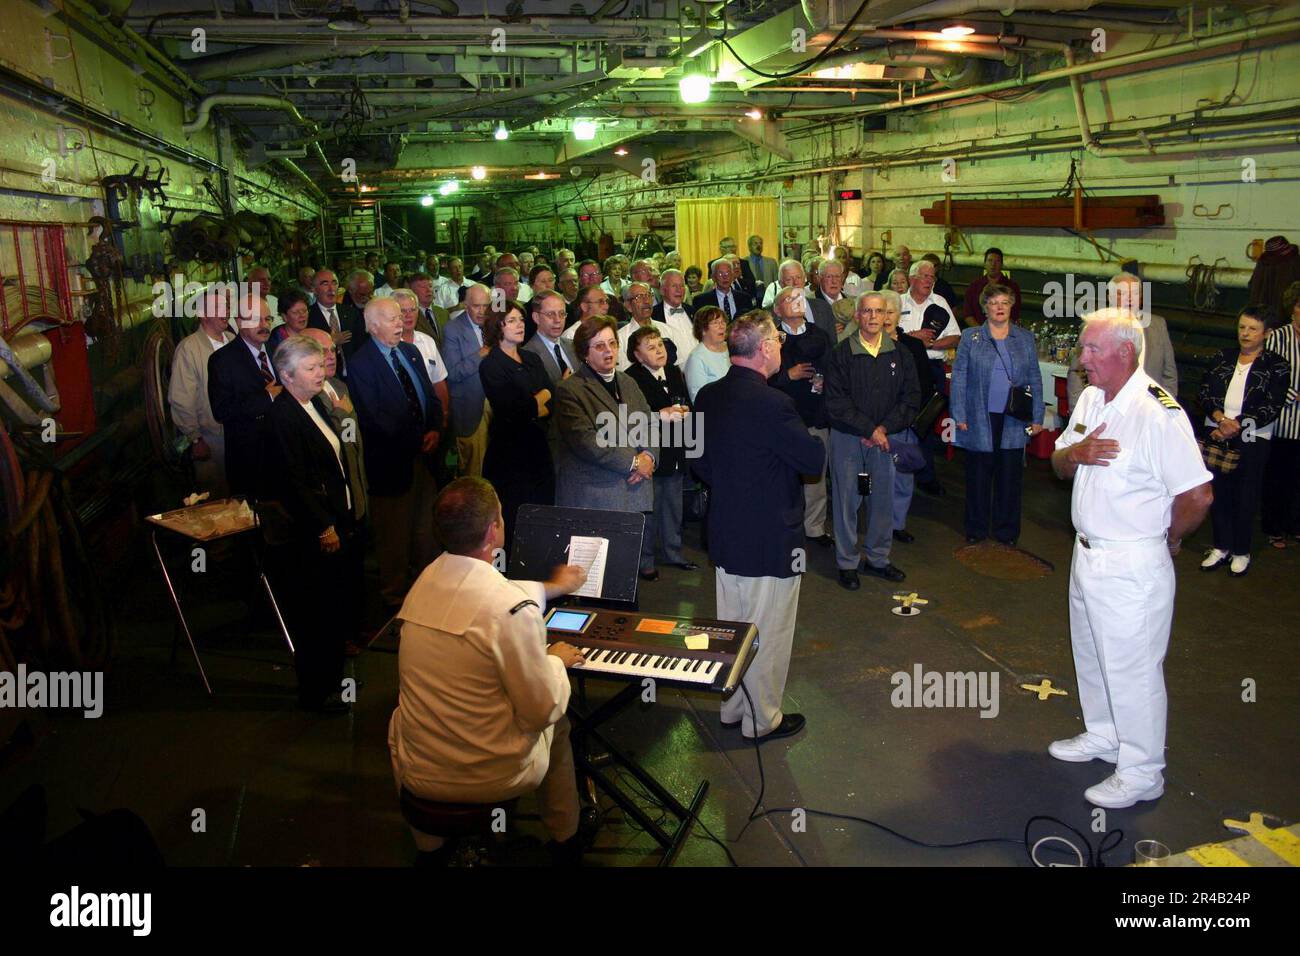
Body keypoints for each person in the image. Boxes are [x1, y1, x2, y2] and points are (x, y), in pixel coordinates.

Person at [1050, 308, 1212, 809]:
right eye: (1082, 348)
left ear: (1125, 352)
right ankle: (1104, 735)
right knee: (1094, 656)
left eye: (1091, 349)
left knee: (1134, 669)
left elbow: (1198, 495)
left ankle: (1143, 770)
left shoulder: (1158, 413)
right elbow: (1057, 463)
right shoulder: (1094, 398)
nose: (1082, 359)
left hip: (1131, 563)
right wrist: (1075, 455)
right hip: (1087, 555)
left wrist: (1167, 538)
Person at [388, 478, 592, 863]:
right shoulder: (513, 610)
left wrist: (550, 586)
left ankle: (431, 850)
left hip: (418, 771)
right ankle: (567, 840)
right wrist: (555, 662)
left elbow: (478, 589)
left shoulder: (423, 583)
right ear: (493, 530)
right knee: (557, 722)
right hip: (490, 773)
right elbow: (539, 709)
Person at [693, 313, 825, 740]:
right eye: (779, 342)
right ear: (766, 347)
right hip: (770, 538)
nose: (782, 348)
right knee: (768, 630)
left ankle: (732, 707)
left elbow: (699, 462)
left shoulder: (708, 396)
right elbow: (812, 461)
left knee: (730, 627)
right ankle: (762, 719)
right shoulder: (774, 404)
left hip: (726, 532)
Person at [265, 334, 363, 713]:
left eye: (320, 365)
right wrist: (324, 525)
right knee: (315, 614)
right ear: (286, 376)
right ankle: (316, 691)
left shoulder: (315, 403)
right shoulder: (283, 417)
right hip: (312, 533)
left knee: (334, 608)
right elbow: (294, 481)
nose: (320, 372)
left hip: (337, 519)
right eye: (310, 368)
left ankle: (334, 679)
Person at [347, 297, 443, 612]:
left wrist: (435, 429)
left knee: (424, 530)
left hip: (424, 458)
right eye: (391, 319)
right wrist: (416, 440)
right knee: (394, 538)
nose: (400, 323)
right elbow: (374, 418)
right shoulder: (361, 363)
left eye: (400, 316)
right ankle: (395, 600)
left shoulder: (411, 352)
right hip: (390, 464)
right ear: (373, 325)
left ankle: (427, 588)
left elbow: (429, 396)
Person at [553, 317, 659, 580]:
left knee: (625, 583)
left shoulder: (628, 382)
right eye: (599, 346)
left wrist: (648, 455)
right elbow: (586, 442)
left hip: (631, 493)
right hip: (595, 497)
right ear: (584, 353)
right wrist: (634, 463)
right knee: (594, 585)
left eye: (612, 343)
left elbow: (649, 423)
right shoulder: (570, 390)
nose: (609, 351)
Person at [825, 292, 920, 589]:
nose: (873, 317)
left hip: (884, 442)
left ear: (887, 316)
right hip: (850, 440)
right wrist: (869, 430)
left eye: (879, 311)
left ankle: (878, 558)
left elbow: (911, 398)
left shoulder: (900, 354)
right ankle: (847, 562)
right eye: (867, 311)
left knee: (881, 500)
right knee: (847, 501)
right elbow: (836, 402)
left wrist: (884, 429)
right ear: (857, 315)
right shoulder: (841, 354)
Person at [1197, 305, 1290, 576]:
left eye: (1252, 329)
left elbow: (1272, 404)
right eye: (1242, 327)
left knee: (1245, 495)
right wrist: (1218, 417)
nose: (1245, 334)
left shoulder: (1276, 365)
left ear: (1267, 334)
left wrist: (1235, 425)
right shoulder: (1222, 357)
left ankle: (1241, 550)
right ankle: (1220, 546)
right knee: (1218, 493)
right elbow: (1203, 391)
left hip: (1252, 435)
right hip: (1216, 431)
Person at [951, 284, 1045, 546]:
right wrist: (959, 414)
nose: (1000, 307)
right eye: (994, 303)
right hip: (979, 416)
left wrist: (1037, 417)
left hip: (1013, 417)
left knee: (1010, 477)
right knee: (978, 476)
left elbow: (1035, 378)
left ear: (1012, 305)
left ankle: (1006, 532)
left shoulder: (1025, 338)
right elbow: (959, 378)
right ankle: (976, 528)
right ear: (985, 308)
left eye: (1005, 302)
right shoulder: (971, 337)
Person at [479, 300, 556, 552]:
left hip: (540, 448)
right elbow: (514, 411)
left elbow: (552, 398)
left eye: (521, 320)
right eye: (511, 320)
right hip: (510, 455)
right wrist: (539, 399)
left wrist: (537, 401)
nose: (519, 325)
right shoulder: (491, 365)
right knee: (515, 517)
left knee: (543, 513)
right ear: (497, 326)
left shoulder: (531, 358)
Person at [625, 326, 697, 576]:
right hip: (648, 452)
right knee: (649, 509)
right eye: (651, 347)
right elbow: (628, 418)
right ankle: (644, 562)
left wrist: (686, 413)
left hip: (674, 450)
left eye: (661, 345)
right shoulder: (630, 378)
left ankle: (673, 553)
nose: (659, 351)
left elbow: (685, 400)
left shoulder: (674, 371)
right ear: (637, 354)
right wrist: (659, 416)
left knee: (673, 506)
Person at [769, 286, 834, 546]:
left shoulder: (820, 336)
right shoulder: (772, 339)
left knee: (815, 478)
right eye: (789, 299)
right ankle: (784, 527)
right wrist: (788, 376)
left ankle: (815, 528)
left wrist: (823, 380)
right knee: (782, 478)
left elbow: (833, 369)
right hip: (783, 420)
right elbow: (762, 378)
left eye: (800, 298)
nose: (796, 302)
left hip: (815, 414)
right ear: (777, 309)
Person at [1066, 274, 1178, 411]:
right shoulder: (1095, 325)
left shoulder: (1158, 325)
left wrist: (1165, 411)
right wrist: (1079, 412)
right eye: (1123, 293)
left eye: (1135, 293)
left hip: (1147, 410)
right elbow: (1077, 372)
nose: (1130, 298)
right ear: (1110, 297)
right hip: (1105, 409)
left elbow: (1169, 375)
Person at [208, 295, 281, 499]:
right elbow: (221, 411)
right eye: (256, 319)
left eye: (267, 319)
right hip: (251, 460)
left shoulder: (277, 350)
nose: (264, 325)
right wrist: (266, 398)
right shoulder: (222, 360)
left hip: (283, 453)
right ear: (239, 322)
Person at [879, 290, 935, 544]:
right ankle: (876, 521)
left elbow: (924, 385)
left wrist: (906, 414)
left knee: (902, 475)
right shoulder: (865, 344)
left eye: (891, 311)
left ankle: (897, 523)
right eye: (882, 311)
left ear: (899, 315)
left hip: (903, 423)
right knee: (877, 476)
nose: (887, 317)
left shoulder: (912, 347)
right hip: (875, 425)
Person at [169, 289, 234, 497]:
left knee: (242, 491)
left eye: (226, 306)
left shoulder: (233, 340)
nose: (226, 311)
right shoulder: (189, 349)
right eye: (218, 308)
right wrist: (195, 438)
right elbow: (181, 398)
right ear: (203, 314)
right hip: (212, 436)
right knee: (217, 496)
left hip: (239, 429)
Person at [1263, 283, 1300, 547]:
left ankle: (1295, 524)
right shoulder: (1277, 337)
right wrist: (1293, 395)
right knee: (1278, 476)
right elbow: (1269, 375)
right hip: (1282, 420)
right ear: (1293, 308)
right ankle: (1274, 526)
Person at [442, 283, 493, 478]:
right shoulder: (453, 329)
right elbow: (452, 372)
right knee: (473, 468)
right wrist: (480, 354)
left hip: (496, 403)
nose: (482, 311)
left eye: (486, 305)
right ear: (465, 304)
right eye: (476, 306)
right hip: (471, 407)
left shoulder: (494, 324)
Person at [393, 289, 451, 434]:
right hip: (403, 426)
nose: (408, 315)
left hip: (432, 419)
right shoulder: (388, 346)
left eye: (412, 309)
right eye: (402, 310)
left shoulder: (427, 341)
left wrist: (443, 416)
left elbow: (439, 382)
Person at [616, 282, 681, 371]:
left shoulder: (666, 329)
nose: (646, 301)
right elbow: (625, 375)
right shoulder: (621, 338)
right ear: (628, 306)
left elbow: (676, 364)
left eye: (649, 295)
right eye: (639, 297)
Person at [963, 247, 1022, 327]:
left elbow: (1014, 315)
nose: (993, 265)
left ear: (1002, 264)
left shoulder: (1012, 287)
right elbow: (968, 314)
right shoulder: (974, 286)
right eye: (990, 261)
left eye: (997, 261)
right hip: (978, 332)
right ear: (984, 263)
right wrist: (981, 332)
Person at [684, 306, 730, 401]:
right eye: (715, 323)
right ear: (703, 330)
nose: (721, 326)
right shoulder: (696, 358)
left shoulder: (733, 347)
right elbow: (698, 398)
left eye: (723, 322)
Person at [653, 269, 696, 360]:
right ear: (662, 290)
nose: (679, 290)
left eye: (682, 286)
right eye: (674, 286)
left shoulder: (693, 311)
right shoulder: (653, 316)